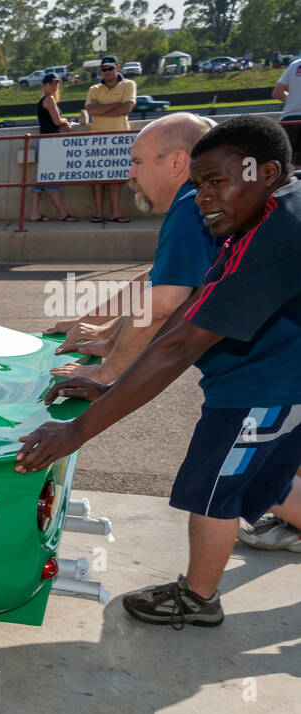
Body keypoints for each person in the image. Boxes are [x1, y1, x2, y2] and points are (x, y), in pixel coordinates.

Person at [18, 116, 301, 628]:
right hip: (271, 376)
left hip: (265, 381)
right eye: (198, 186)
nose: (205, 199)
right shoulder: (270, 212)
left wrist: (81, 423)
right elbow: (174, 297)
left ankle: (197, 599)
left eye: (216, 183)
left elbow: (177, 337)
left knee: (215, 485)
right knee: (262, 476)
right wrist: (108, 342)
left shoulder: (272, 234)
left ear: (267, 172)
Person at [47, 114, 219, 384]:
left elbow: (159, 307)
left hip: (262, 380)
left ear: (176, 162)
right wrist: (104, 333)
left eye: (137, 162)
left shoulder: (191, 208)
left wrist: (105, 372)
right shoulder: (195, 200)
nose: (131, 173)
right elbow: (152, 281)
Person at [85, 56, 137, 223]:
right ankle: (98, 212)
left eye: (110, 68)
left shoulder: (129, 84)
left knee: (115, 177)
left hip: (119, 137)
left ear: (117, 68)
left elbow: (126, 108)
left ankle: (115, 212)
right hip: (97, 137)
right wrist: (116, 105)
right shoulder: (94, 88)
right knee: (97, 178)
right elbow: (90, 110)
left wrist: (100, 109)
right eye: (104, 69)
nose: (107, 72)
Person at [28, 73, 78, 222]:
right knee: (51, 179)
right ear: (44, 85)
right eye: (51, 84)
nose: (55, 86)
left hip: (45, 143)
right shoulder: (49, 99)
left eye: (56, 84)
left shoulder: (44, 99)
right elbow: (56, 121)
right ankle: (62, 214)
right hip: (49, 143)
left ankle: (35, 212)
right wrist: (66, 121)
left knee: (42, 179)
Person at [271, 54, 301, 163]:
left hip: (289, 121)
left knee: (285, 163)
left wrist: (294, 100)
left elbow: (277, 93)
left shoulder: (294, 65)